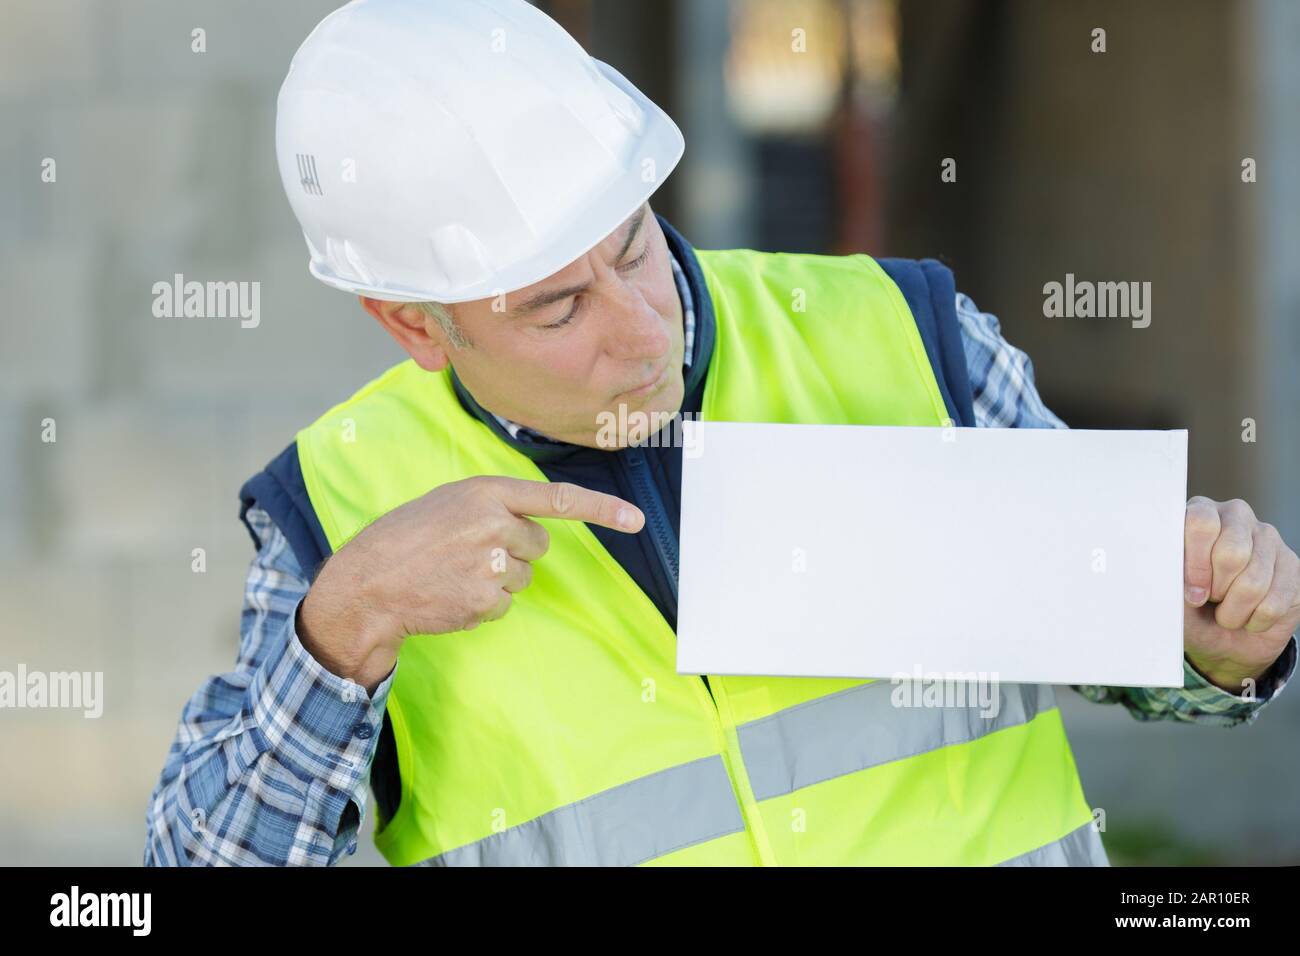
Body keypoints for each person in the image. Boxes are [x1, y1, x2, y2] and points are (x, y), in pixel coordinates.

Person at [145, 0, 1297, 867]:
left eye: (634, 243)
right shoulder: (339, 512)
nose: (643, 325)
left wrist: (1213, 637)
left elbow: (1144, 641)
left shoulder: (899, 333)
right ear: (413, 324)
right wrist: (345, 629)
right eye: (557, 306)